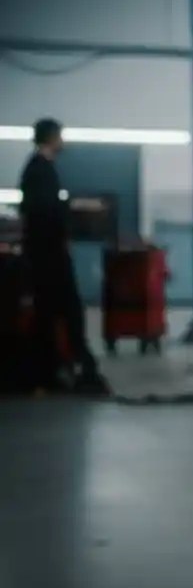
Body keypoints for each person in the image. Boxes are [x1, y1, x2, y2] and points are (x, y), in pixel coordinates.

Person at [18, 118, 110, 394]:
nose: (63, 142)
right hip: (49, 256)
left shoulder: (37, 169)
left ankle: (48, 375)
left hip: (44, 253)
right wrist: (71, 211)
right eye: (60, 137)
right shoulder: (41, 170)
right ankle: (81, 370)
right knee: (68, 313)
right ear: (51, 138)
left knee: (48, 316)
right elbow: (45, 211)